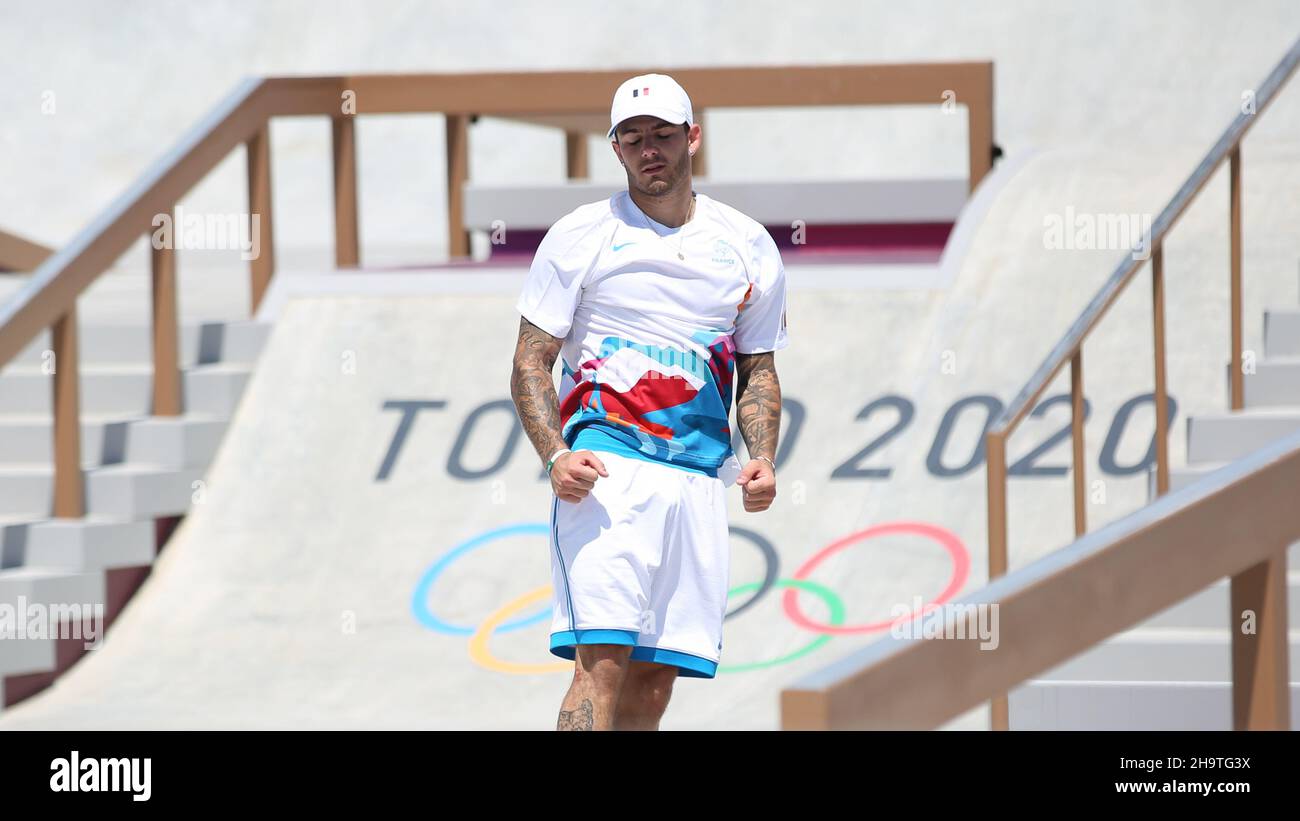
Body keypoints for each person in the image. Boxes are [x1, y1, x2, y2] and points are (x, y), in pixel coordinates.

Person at [509, 72, 788, 731]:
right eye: (631, 139)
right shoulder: (581, 235)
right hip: (609, 474)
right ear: (616, 149)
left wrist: (763, 456)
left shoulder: (747, 243)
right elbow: (529, 361)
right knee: (601, 665)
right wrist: (555, 455)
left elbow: (759, 367)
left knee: (655, 683)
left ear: (693, 137)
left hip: (698, 477)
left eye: (661, 134)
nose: (648, 150)